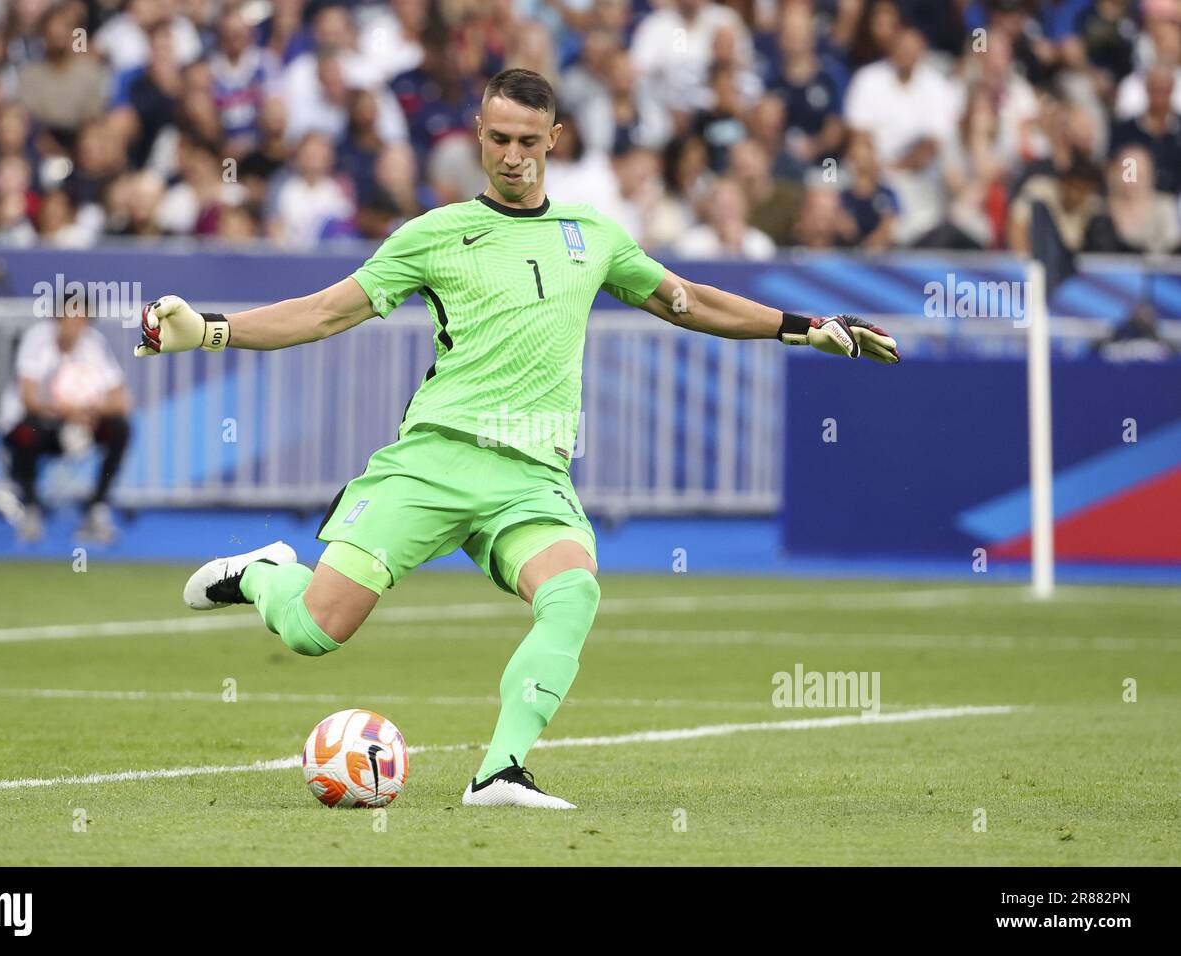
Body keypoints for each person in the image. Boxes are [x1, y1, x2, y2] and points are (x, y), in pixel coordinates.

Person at [134, 69, 900, 809]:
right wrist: (212, 331)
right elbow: (327, 311)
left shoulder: (592, 235)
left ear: (554, 139)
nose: (511, 154)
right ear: (477, 135)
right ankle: (267, 572)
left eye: (528, 140)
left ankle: (499, 773)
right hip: (434, 461)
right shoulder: (435, 233)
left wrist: (802, 329)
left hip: (533, 476)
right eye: (498, 137)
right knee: (313, 632)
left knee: (573, 591)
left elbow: (687, 301)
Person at [0, 296, 132, 544]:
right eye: (70, 316)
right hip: (39, 424)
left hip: (82, 422)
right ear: (57, 317)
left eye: (82, 318)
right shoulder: (37, 339)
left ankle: (96, 508)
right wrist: (66, 411)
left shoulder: (94, 343)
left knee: (120, 429)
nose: (75, 324)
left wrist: (91, 411)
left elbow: (121, 401)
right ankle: (30, 509)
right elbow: (29, 399)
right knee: (28, 431)